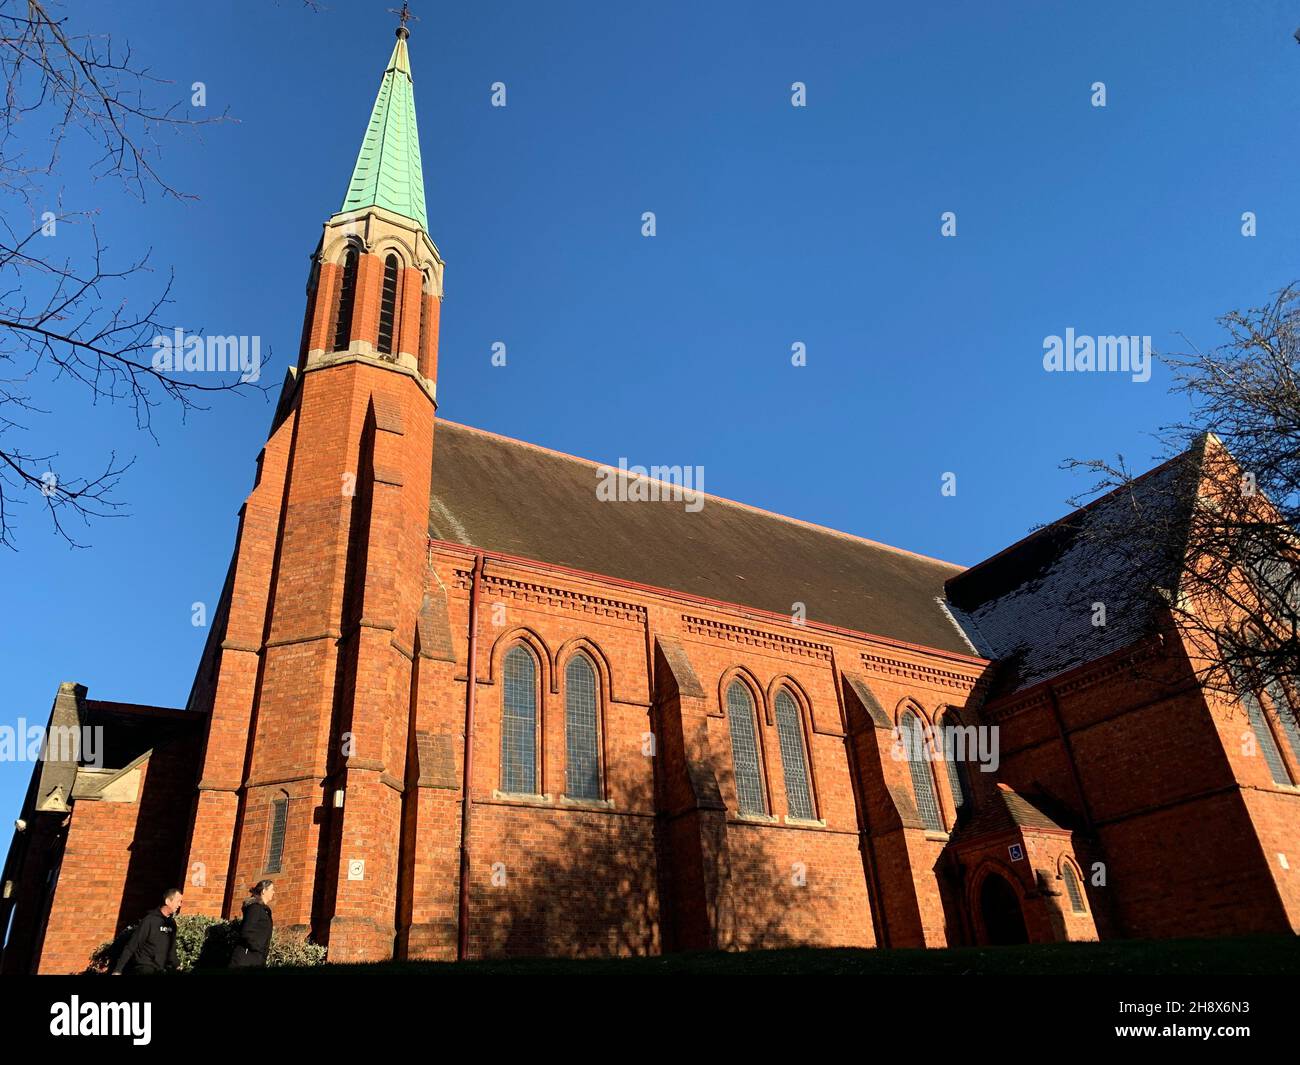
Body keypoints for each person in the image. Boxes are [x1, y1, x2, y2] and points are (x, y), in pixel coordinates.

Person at [112, 888, 182, 975]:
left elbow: (172, 950)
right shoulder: (149, 920)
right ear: (168, 901)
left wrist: (178, 966)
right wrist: (117, 970)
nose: (179, 905)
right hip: (144, 967)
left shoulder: (172, 924)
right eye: (178, 901)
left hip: (160, 969)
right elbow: (132, 945)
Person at [229, 880, 274, 968]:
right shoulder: (254, 908)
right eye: (272, 889)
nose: (273, 892)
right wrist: (258, 948)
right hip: (246, 959)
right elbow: (246, 931)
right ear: (264, 891)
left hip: (257, 960)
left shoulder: (264, 911)